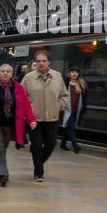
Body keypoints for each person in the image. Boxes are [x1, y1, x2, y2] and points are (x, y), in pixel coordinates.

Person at [20, 51, 68, 182]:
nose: (41, 63)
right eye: (39, 61)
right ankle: (38, 172)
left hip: (52, 118)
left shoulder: (57, 76)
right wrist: (28, 108)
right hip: (34, 119)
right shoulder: (28, 78)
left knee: (51, 144)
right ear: (35, 62)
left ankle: (39, 162)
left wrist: (59, 106)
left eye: (44, 61)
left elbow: (64, 95)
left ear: (49, 62)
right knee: (36, 144)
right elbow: (20, 96)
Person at [61, 66, 89, 152]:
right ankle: (75, 145)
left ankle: (63, 143)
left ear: (78, 74)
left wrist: (84, 108)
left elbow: (85, 97)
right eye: (72, 71)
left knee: (69, 127)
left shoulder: (82, 84)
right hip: (67, 109)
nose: (74, 73)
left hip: (77, 110)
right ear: (69, 73)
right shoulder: (65, 83)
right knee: (71, 127)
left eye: (76, 72)